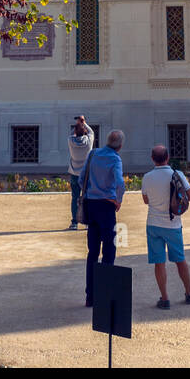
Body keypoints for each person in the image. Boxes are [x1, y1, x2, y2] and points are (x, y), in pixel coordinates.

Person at [141, 145, 190, 309]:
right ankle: (189, 293)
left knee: (159, 263)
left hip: (153, 224)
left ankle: (164, 298)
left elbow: (146, 200)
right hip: (173, 223)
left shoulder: (147, 177)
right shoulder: (177, 174)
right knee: (180, 260)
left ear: (152, 159)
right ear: (168, 157)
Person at [79, 128, 125, 306]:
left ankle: (90, 296)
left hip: (91, 205)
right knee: (109, 250)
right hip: (106, 206)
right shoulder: (115, 159)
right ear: (120, 146)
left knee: (92, 252)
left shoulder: (93, 154)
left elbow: (81, 178)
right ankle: (105, 294)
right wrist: (118, 200)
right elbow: (120, 184)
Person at [67, 114, 94, 230]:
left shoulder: (71, 141)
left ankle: (74, 223)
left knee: (75, 198)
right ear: (84, 133)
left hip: (74, 174)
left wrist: (78, 124)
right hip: (87, 174)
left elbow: (73, 133)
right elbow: (91, 132)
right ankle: (87, 221)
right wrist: (83, 122)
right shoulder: (88, 142)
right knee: (87, 197)